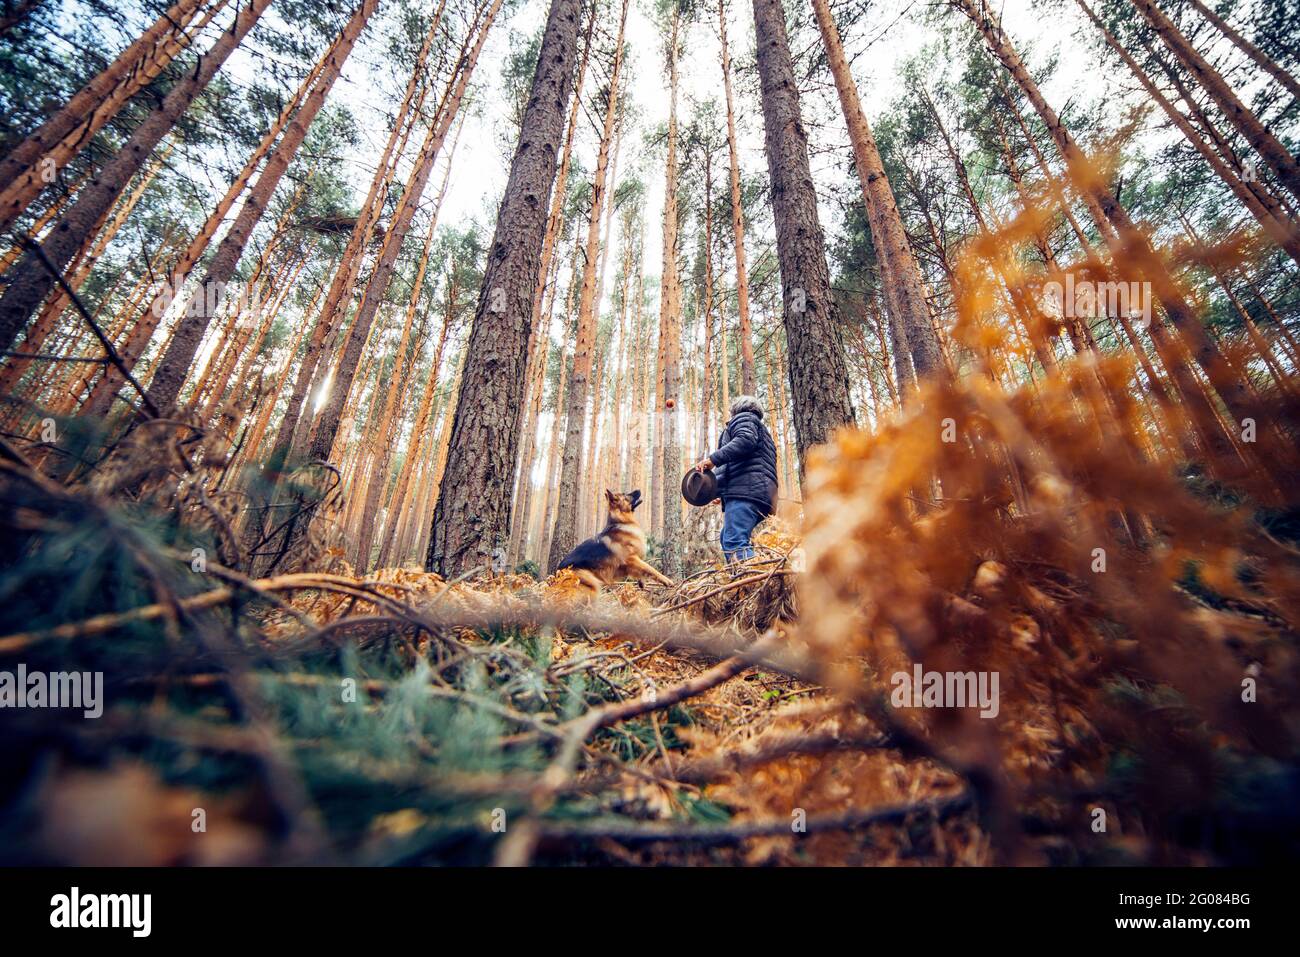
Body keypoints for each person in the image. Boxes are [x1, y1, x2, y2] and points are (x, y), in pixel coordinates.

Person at [692, 395, 778, 561]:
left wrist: (712, 460)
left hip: (747, 493)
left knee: (735, 541)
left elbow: (745, 441)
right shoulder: (760, 429)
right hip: (763, 495)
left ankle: (755, 583)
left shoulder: (744, 418)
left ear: (737, 409)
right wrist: (720, 493)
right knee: (728, 537)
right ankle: (742, 580)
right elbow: (741, 466)